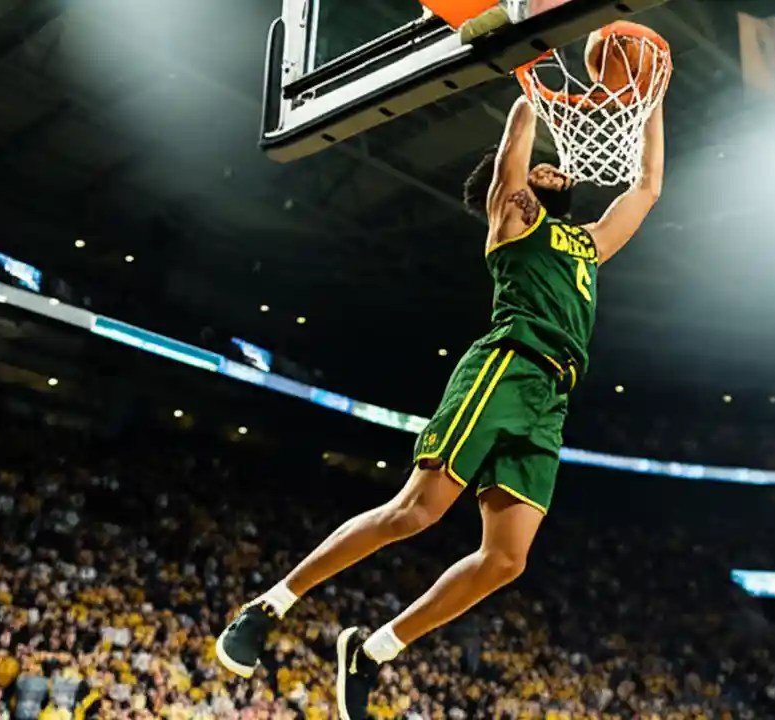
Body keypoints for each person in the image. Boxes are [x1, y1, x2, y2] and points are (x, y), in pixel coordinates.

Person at [216, 85, 667, 719]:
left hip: (550, 400)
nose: (547, 164)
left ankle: (372, 652)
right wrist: (534, 89)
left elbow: (645, 189)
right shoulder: (515, 222)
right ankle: (270, 604)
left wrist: (653, 99)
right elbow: (514, 150)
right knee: (415, 512)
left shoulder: (588, 244)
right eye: (534, 169)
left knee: (507, 560)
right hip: (505, 368)